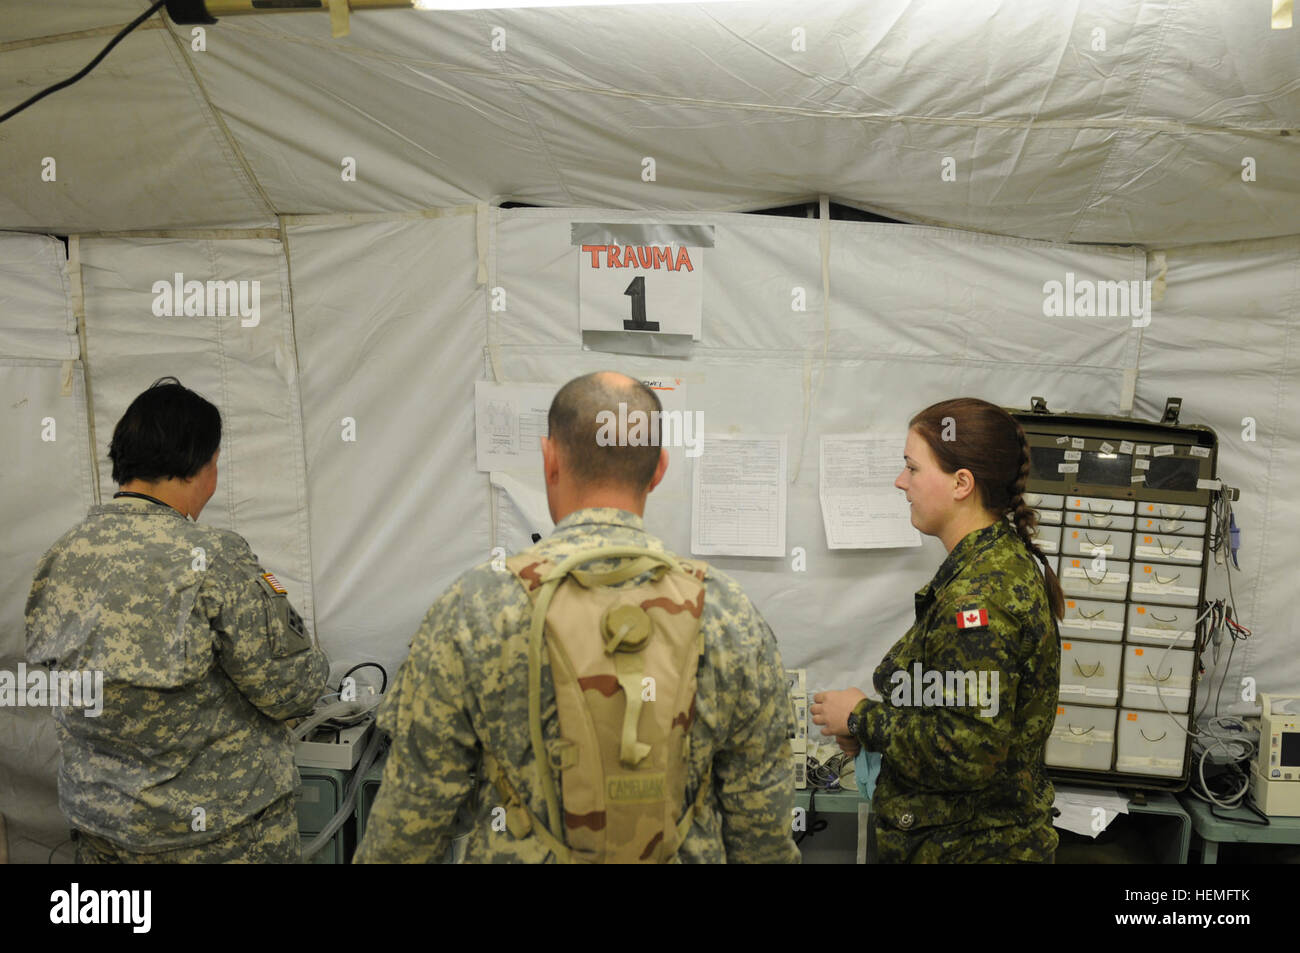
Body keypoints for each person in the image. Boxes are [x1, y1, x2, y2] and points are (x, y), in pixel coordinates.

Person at [355, 371, 799, 863]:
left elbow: (409, 824)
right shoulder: (727, 611)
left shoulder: (475, 607)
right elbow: (763, 831)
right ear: (659, 469)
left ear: (549, 460)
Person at [25, 377, 330, 863]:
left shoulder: (61, 557)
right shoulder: (213, 557)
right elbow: (291, 688)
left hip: (105, 833)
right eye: (215, 464)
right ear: (198, 466)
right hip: (216, 840)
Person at [811, 398, 1062, 863]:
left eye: (912, 468)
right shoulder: (992, 565)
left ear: (961, 483)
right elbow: (952, 707)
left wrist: (863, 716)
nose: (900, 482)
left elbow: (967, 749)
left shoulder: (980, 597)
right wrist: (870, 734)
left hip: (969, 849)